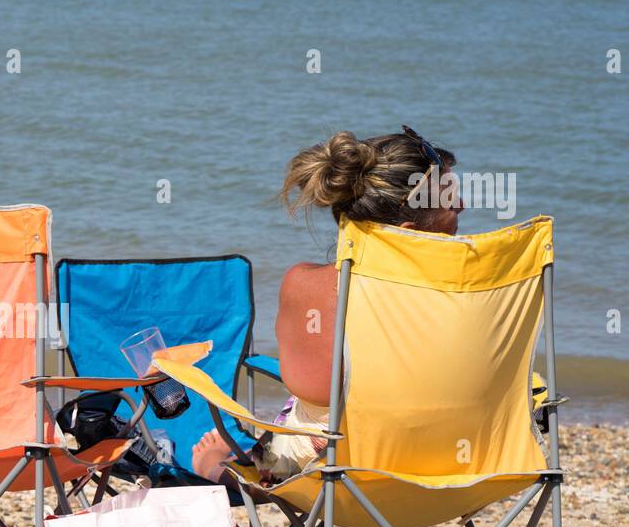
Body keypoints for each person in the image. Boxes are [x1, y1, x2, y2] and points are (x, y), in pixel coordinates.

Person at [193, 126, 463, 485]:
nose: (460, 204)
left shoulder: (303, 285)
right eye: (450, 200)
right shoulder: (472, 293)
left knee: (301, 429)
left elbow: (310, 382)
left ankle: (219, 471)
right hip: (452, 461)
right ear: (408, 232)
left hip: (337, 469)